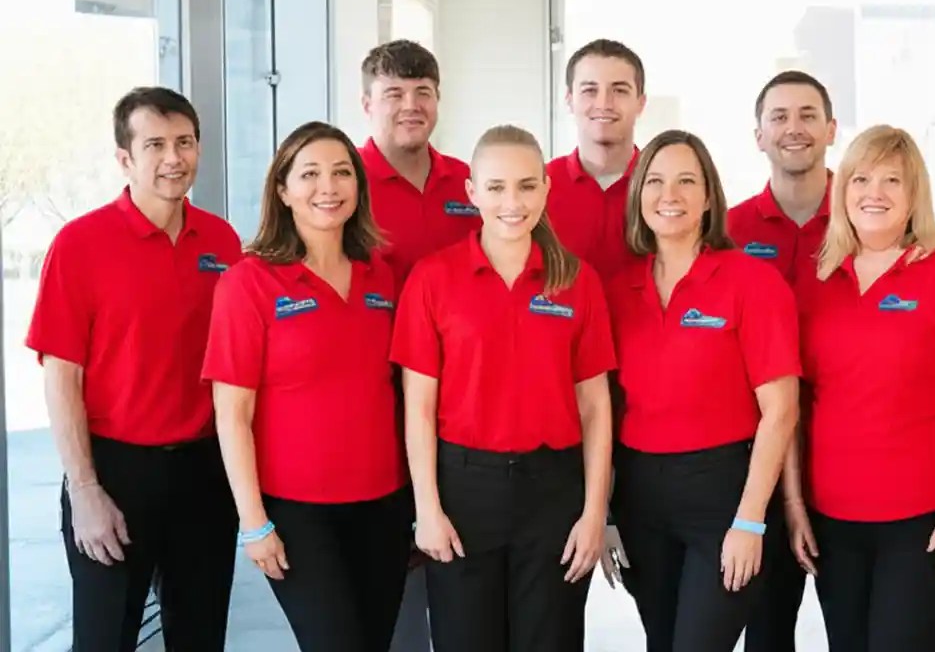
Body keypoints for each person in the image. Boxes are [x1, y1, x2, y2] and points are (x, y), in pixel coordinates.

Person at [26, 86, 242, 651]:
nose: (173, 158)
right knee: (105, 640)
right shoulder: (79, 245)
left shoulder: (222, 242)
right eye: (155, 145)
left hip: (204, 474)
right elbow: (61, 378)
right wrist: (86, 490)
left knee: (200, 638)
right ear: (125, 158)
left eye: (185, 142)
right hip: (115, 474)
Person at [790, 125, 935, 651]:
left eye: (893, 179)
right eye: (862, 178)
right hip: (836, 522)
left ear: (915, 192)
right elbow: (798, 404)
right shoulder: (820, 279)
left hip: (929, 520)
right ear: (842, 189)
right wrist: (795, 502)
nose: (875, 193)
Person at [391, 125, 615, 652]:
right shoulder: (432, 279)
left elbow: (595, 407)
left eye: (526, 186)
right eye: (495, 188)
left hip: (554, 493)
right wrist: (428, 509)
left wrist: (593, 512)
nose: (511, 202)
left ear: (545, 189)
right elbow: (419, 408)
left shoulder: (576, 281)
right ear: (471, 192)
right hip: (465, 492)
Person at [202, 122, 412, 651]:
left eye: (342, 173)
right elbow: (232, 413)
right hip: (297, 513)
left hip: (383, 505)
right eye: (310, 174)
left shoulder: (380, 276)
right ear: (283, 190)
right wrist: (253, 522)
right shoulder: (248, 283)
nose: (329, 187)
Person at [607, 129, 800, 652]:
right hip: (640, 495)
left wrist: (750, 521)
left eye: (686, 181)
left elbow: (780, 411)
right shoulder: (618, 288)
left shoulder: (751, 283)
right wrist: (604, 512)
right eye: (656, 181)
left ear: (709, 196)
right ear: (638, 195)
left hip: (722, 493)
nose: (670, 195)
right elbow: (601, 408)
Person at [727, 70, 836, 652]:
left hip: (852, 455)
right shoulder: (729, 229)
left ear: (831, 128)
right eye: (779, 117)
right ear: (759, 135)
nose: (793, 128)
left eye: (807, 115)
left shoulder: (868, 214)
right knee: (768, 630)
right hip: (762, 460)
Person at [360, 39, 480, 289]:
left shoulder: (468, 180)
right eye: (395, 94)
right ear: (367, 105)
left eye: (423, 93)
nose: (411, 106)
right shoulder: (343, 183)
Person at [545, 38, 647, 280]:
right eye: (590, 90)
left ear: (640, 103)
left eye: (620, 90)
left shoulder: (662, 185)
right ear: (569, 100)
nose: (604, 104)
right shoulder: (538, 185)